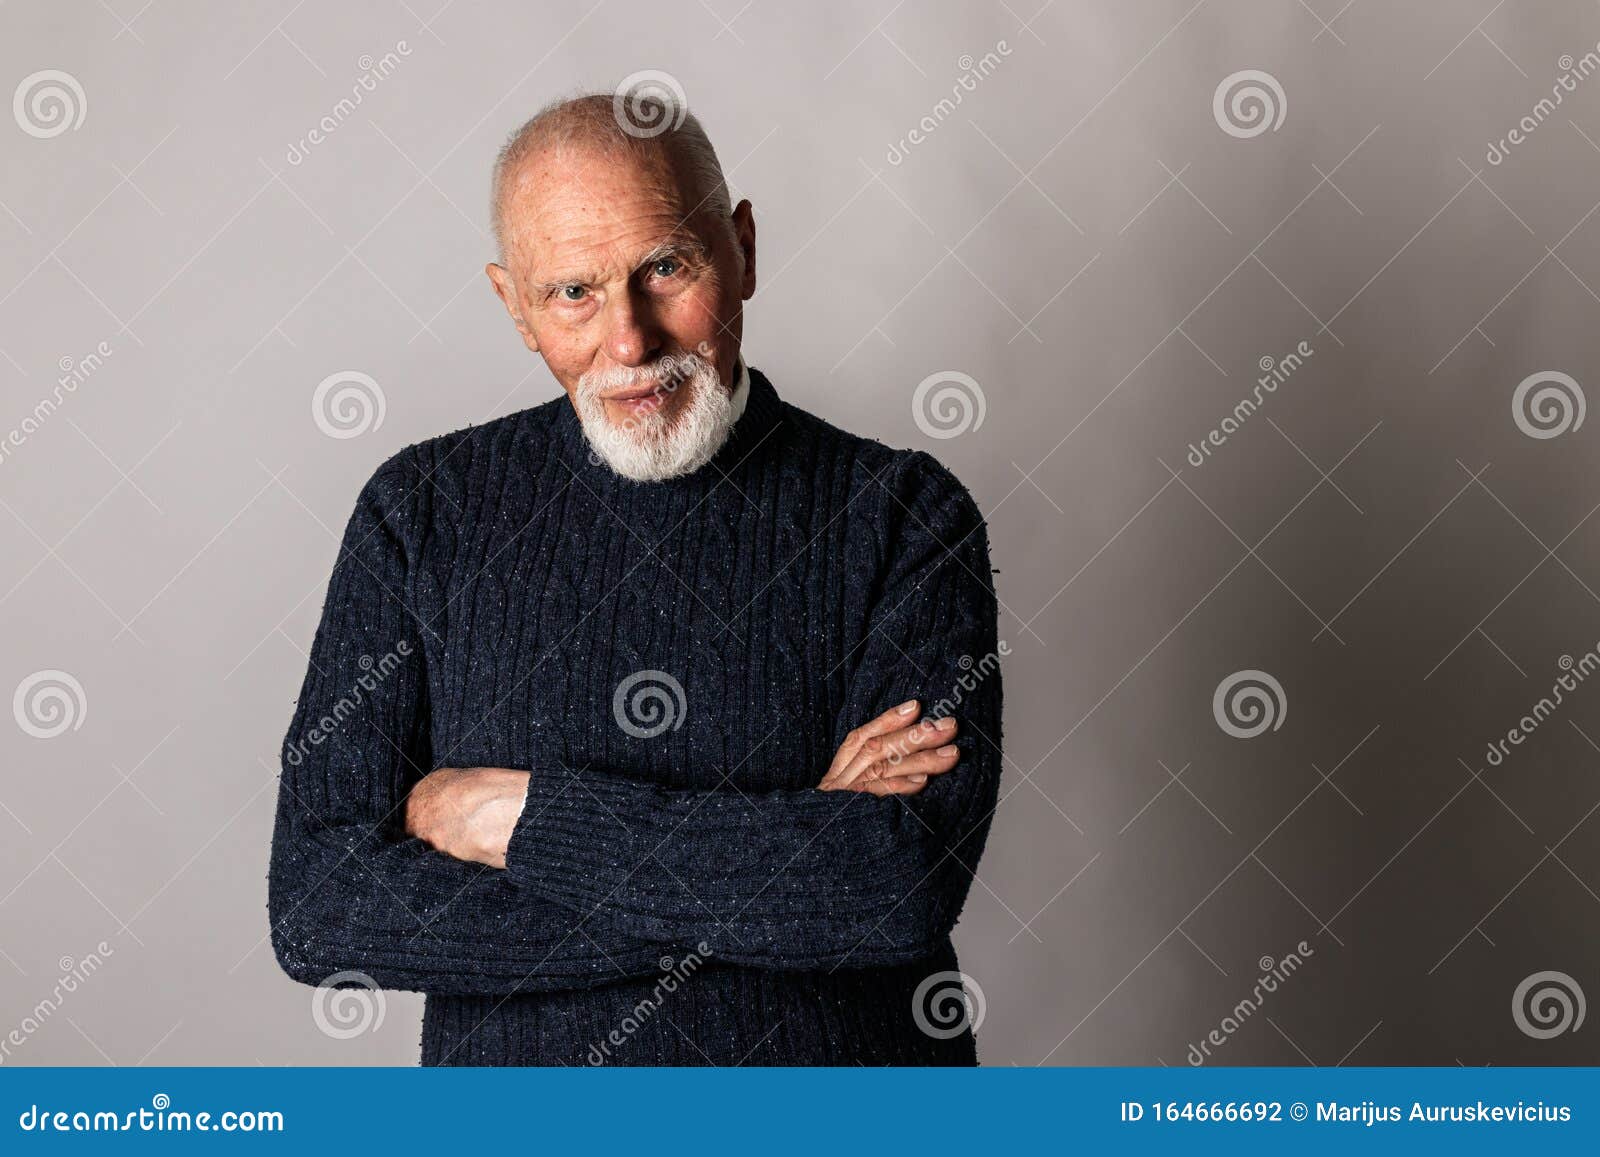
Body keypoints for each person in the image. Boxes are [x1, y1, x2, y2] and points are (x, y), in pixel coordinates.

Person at [266, 90, 1002, 1066]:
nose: (629, 340)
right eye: (572, 291)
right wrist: (777, 867)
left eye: (665, 267)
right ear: (514, 305)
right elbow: (324, 907)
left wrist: (516, 818)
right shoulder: (423, 510)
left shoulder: (904, 513)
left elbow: (889, 886)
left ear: (740, 248)